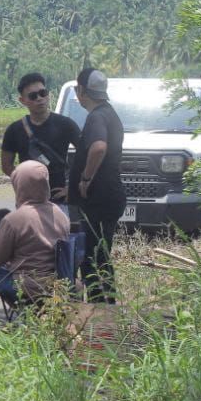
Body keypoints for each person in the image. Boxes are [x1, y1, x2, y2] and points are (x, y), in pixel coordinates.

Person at [0, 161, 70, 319]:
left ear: (21, 186)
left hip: (26, 288)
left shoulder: (15, 219)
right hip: (56, 287)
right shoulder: (59, 214)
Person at [70, 68, 125, 303]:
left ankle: (100, 310)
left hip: (99, 200)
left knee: (92, 259)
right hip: (108, 197)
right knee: (100, 255)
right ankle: (106, 309)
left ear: (82, 90)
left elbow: (99, 147)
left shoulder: (97, 117)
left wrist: (85, 179)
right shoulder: (109, 113)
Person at [1, 72, 81, 203]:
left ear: (48, 95)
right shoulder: (14, 130)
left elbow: (86, 154)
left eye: (43, 93)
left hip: (59, 198)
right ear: (23, 100)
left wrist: (71, 188)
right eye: (33, 96)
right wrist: (25, 182)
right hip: (28, 199)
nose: (39, 98)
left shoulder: (66, 125)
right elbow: (6, 165)